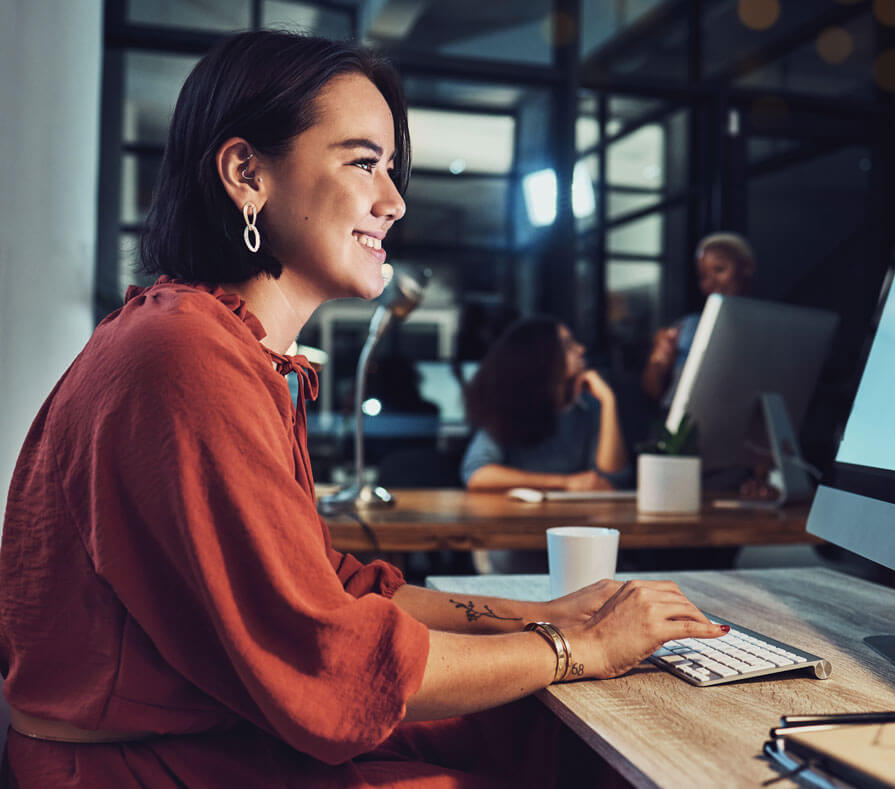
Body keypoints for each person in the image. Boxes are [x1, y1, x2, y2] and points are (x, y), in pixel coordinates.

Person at [0, 31, 725, 787]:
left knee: (537, 734)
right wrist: (581, 648)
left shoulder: (214, 341)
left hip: (210, 738)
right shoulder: (186, 356)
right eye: (363, 162)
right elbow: (328, 659)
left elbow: (331, 586)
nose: (394, 200)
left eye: (391, 168)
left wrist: (557, 617)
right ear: (246, 172)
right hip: (152, 768)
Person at [461, 317, 629, 492]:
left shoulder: (590, 406)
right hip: (520, 515)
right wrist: (565, 482)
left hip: (577, 517)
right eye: (568, 345)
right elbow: (476, 474)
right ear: (541, 356)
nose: (581, 349)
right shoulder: (509, 406)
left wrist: (609, 401)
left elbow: (612, 477)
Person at [640, 232, 757, 404]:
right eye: (703, 277)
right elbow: (652, 393)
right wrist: (658, 360)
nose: (710, 283)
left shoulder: (766, 329)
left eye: (719, 269)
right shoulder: (688, 327)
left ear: (746, 268)